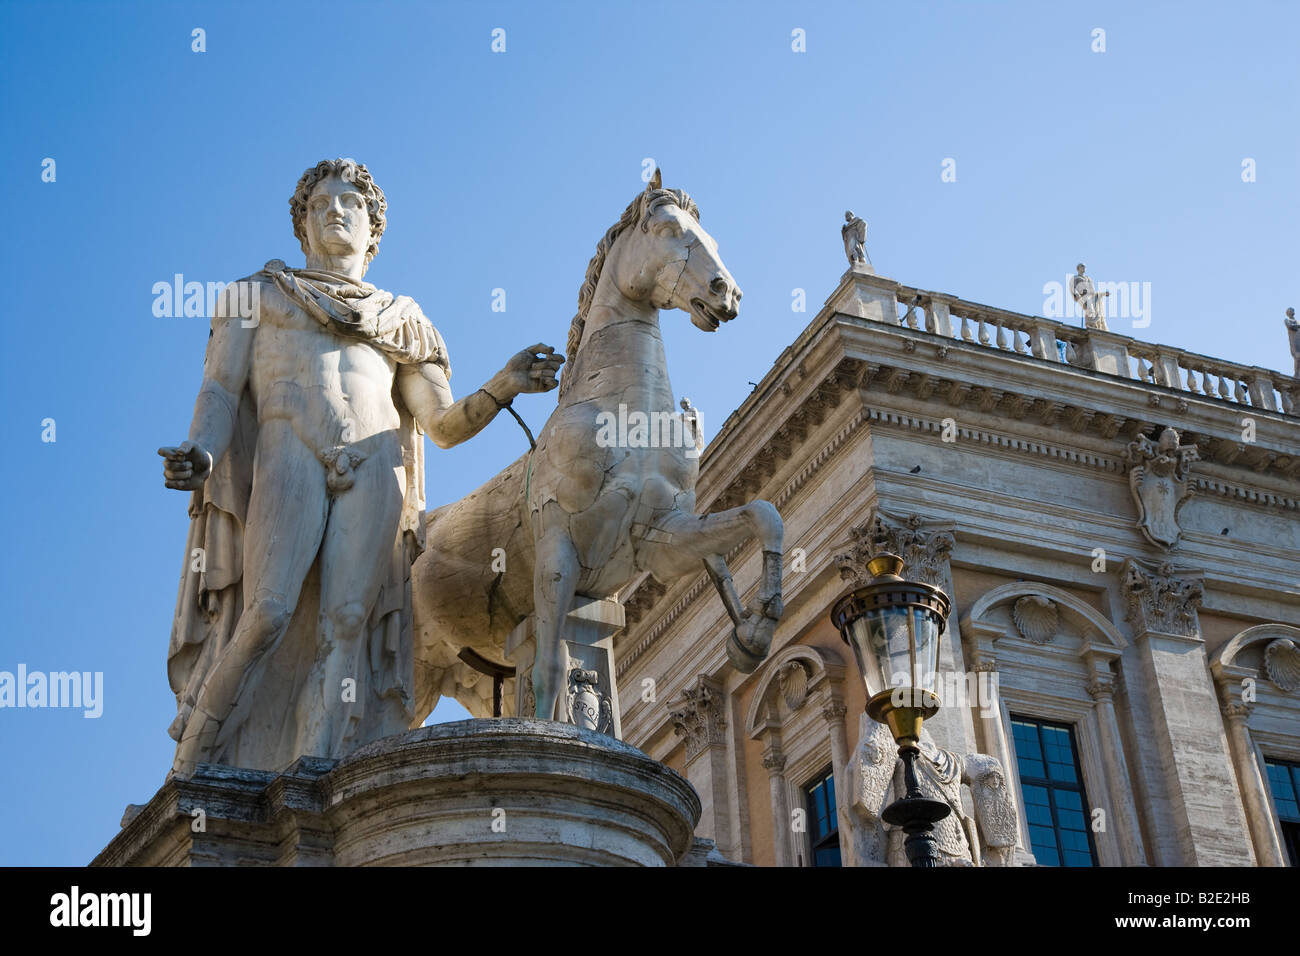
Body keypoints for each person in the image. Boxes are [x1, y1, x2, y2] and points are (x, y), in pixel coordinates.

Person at [159, 158, 563, 776]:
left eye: (349, 203)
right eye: (319, 205)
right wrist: (202, 452)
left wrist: (505, 382)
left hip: (375, 467)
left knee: (347, 624)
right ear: (302, 227)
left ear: (374, 227)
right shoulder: (257, 296)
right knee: (266, 612)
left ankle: (316, 774)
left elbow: (444, 427)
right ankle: (193, 758)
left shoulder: (403, 320)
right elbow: (218, 389)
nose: (334, 212)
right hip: (289, 451)